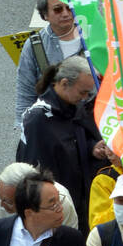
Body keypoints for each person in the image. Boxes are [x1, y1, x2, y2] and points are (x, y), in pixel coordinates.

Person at [20, 56, 107, 235]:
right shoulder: (38, 120)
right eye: (82, 92)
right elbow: (33, 171)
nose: (84, 98)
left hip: (81, 200)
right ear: (64, 83)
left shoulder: (72, 106)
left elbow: (74, 139)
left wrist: (92, 148)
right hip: (56, 208)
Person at [15, 0, 85, 131]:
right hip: (52, 128)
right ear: (45, 15)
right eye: (58, 9)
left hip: (90, 123)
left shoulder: (93, 39)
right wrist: (26, 130)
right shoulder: (34, 46)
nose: (65, 13)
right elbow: (25, 93)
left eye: (69, 7)